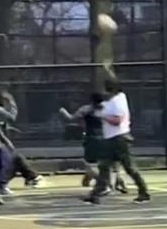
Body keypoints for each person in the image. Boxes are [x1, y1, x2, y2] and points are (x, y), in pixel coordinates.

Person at [83, 76, 150, 204]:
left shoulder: (118, 101)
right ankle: (96, 193)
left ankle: (144, 192)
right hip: (109, 139)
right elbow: (101, 107)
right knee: (103, 166)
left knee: (129, 167)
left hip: (120, 139)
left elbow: (117, 121)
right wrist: (96, 108)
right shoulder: (110, 102)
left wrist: (102, 115)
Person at [58, 91, 128, 195]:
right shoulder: (108, 109)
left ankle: (104, 183)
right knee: (110, 163)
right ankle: (117, 181)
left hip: (92, 139)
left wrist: (62, 111)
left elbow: (71, 118)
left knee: (90, 165)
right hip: (108, 137)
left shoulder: (86, 109)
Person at [0, 89, 43, 189]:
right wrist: (7, 142)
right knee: (17, 158)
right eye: (9, 102)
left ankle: (32, 177)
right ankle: (32, 178)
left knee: (15, 157)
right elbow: (9, 120)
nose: (12, 105)